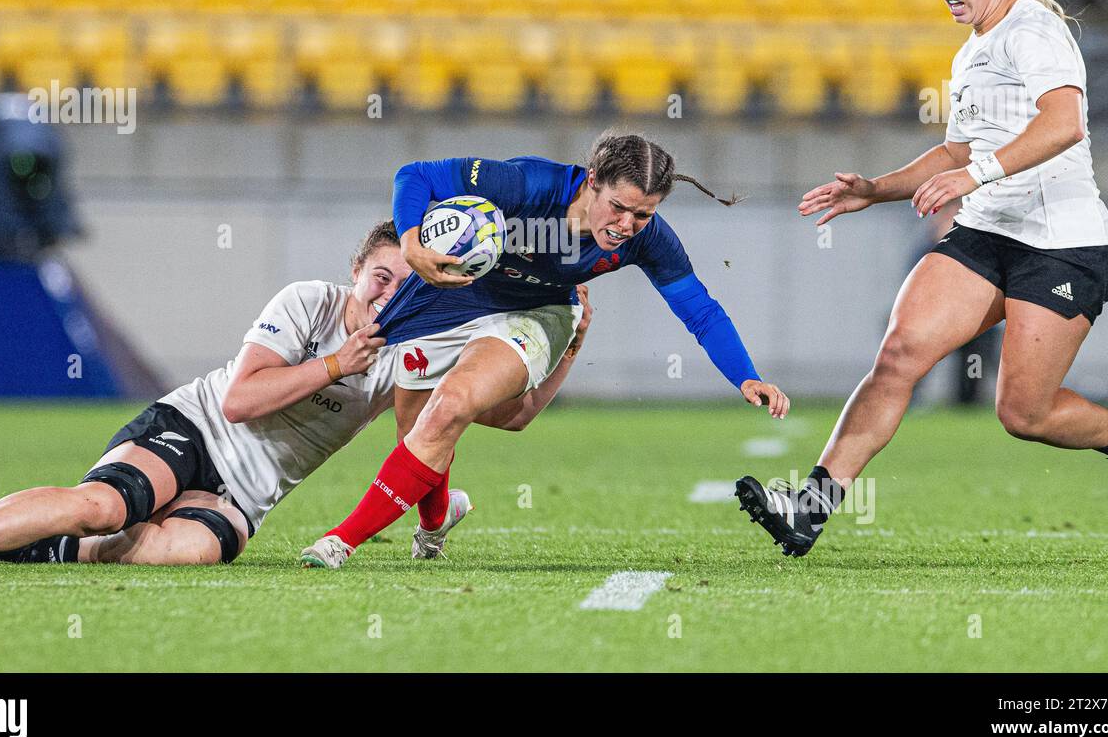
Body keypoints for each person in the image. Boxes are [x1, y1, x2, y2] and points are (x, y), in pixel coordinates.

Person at [735, 0, 1108, 557]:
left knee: (1024, 413)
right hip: (989, 234)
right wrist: (875, 188)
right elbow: (956, 153)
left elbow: (1064, 123)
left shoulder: (1033, 31)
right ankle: (809, 510)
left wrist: (977, 175)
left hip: (1063, 244)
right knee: (900, 354)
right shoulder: (973, 53)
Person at [0, 221, 591, 568]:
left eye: (405, 286)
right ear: (355, 271)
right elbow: (239, 401)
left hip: (245, 494)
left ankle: (48, 548)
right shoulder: (309, 304)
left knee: (183, 554)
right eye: (380, 277)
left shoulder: (403, 355)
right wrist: (333, 367)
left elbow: (504, 416)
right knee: (105, 504)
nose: (387, 295)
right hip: (193, 428)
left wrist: (567, 347)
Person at [299, 131, 790, 569]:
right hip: (465, 290)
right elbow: (415, 175)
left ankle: (340, 541)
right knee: (415, 423)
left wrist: (745, 376)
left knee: (450, 404)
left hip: (539, 313)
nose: (626, 224)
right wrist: (410, 244)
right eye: (618, 207)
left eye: (644, 214)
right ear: (592, 180)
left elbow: (699, 310)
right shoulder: (529, 185)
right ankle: (436, 519)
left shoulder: (650, 241)